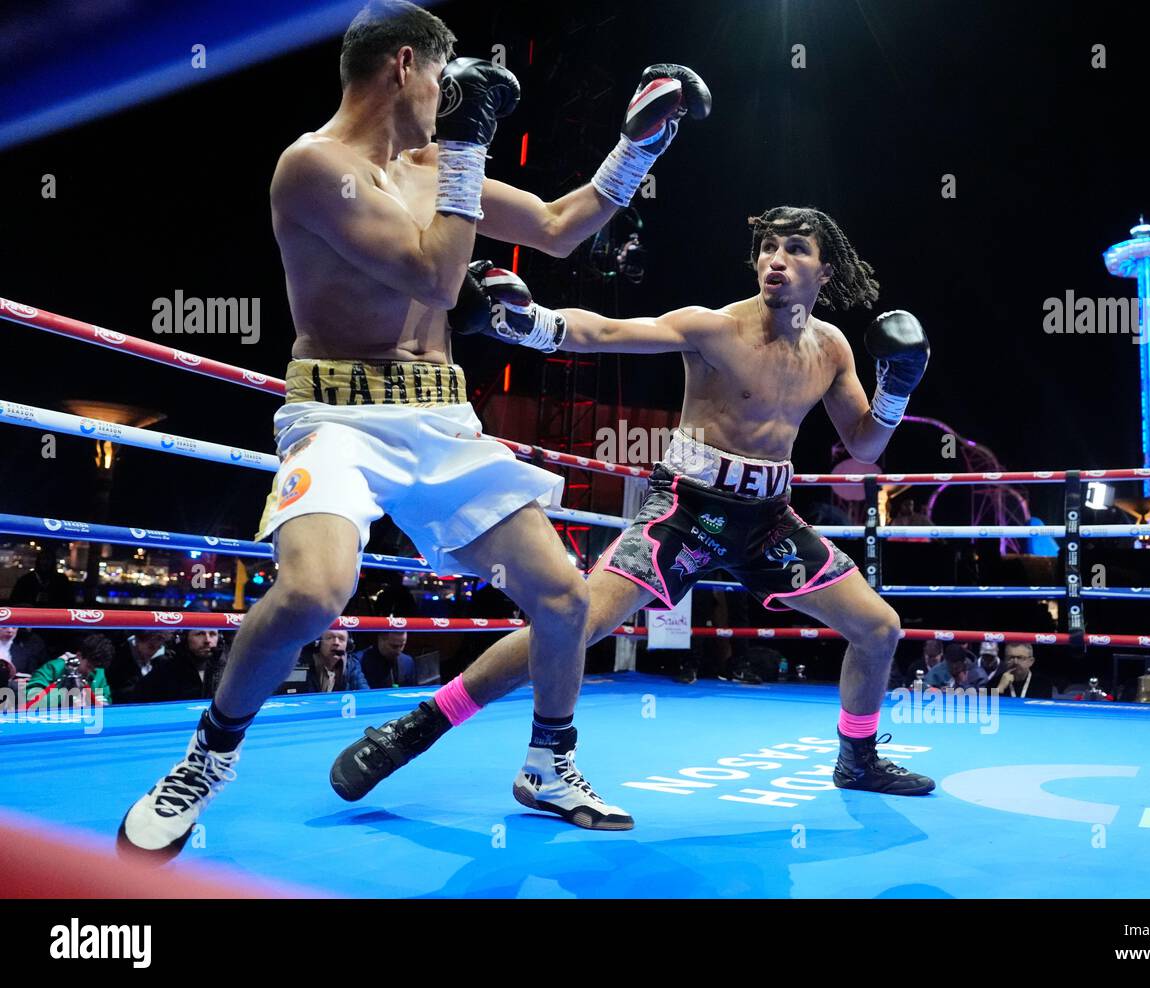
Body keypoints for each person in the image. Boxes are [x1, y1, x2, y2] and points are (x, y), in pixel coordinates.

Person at [119, 0, 710, 858]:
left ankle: (549, 763)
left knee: (562, 596)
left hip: (441, 416)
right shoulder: (313, 167)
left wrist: (642, 143)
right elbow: (437, 280)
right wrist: (470, 147)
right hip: (337, 416)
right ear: (405, 65)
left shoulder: (438, 166)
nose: (448, 93)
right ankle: (205, 759)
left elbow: (556, 227)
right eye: (443, 74)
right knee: (316, 590)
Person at [334, 205, 935, 805]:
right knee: (575, 622)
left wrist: (896, 388)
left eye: (795, 250)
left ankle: (857, 759)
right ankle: (415, 728)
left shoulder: (830, 348)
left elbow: (864, 443)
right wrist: (525, 323)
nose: (775, 259)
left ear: (825, 272)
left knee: (879, 628)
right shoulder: (714, 328)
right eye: (768, 247)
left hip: (768, 520)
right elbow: (606, 332)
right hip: (687, 510)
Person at [23, 634, 115, 707]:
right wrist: (65, 695)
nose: (90, 672)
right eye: (89, 666)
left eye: (94, 669)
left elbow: (106, 699)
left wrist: (100, 702)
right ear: (79, 655)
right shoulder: (53, 668)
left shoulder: (98, 671)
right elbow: (30, 697)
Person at [138, 630, 228, 702]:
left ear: (219, 638)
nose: (208, 640)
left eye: (212, 634)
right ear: (184, 638)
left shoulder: (229, 671)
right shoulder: (164, 671)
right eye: (200, 634)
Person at [105, 631, 172, 705]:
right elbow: (114, 693)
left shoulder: (160, 660)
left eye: (158, 647)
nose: (154, 652)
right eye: (151, 647)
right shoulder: (119, 660)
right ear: (137, 640)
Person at [304, 630, 369, 693]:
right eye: (329, 638)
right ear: (318, 643)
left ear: (348, 644)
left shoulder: (351, 664)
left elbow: (365, 694)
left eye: (341, 639)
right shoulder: (304, 664)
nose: (336, 642)